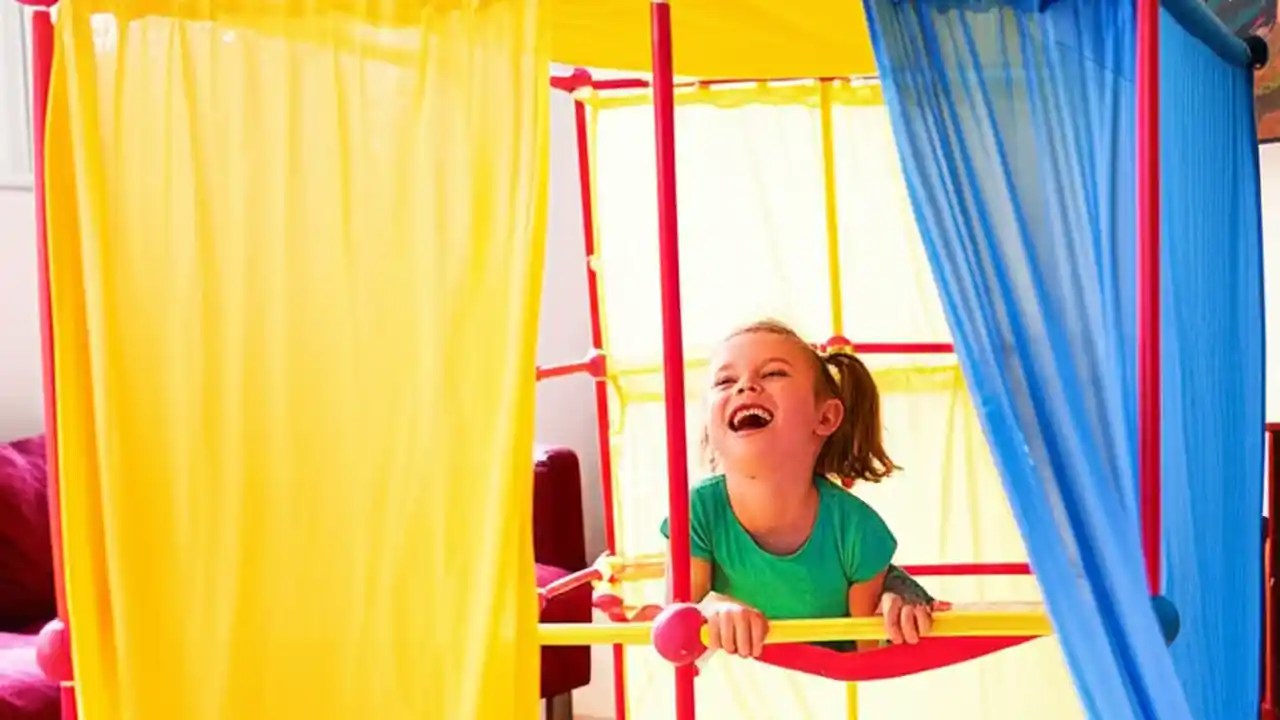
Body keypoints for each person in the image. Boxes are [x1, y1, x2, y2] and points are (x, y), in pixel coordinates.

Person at [660, 319, 948, 658]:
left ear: (825, 418)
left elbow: (863, 656)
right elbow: (677, 621)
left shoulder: (857, 530)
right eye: (725, 380)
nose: (745, 386)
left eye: (773, 374)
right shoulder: (697, 510)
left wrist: (891, 609)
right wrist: (712, 609)